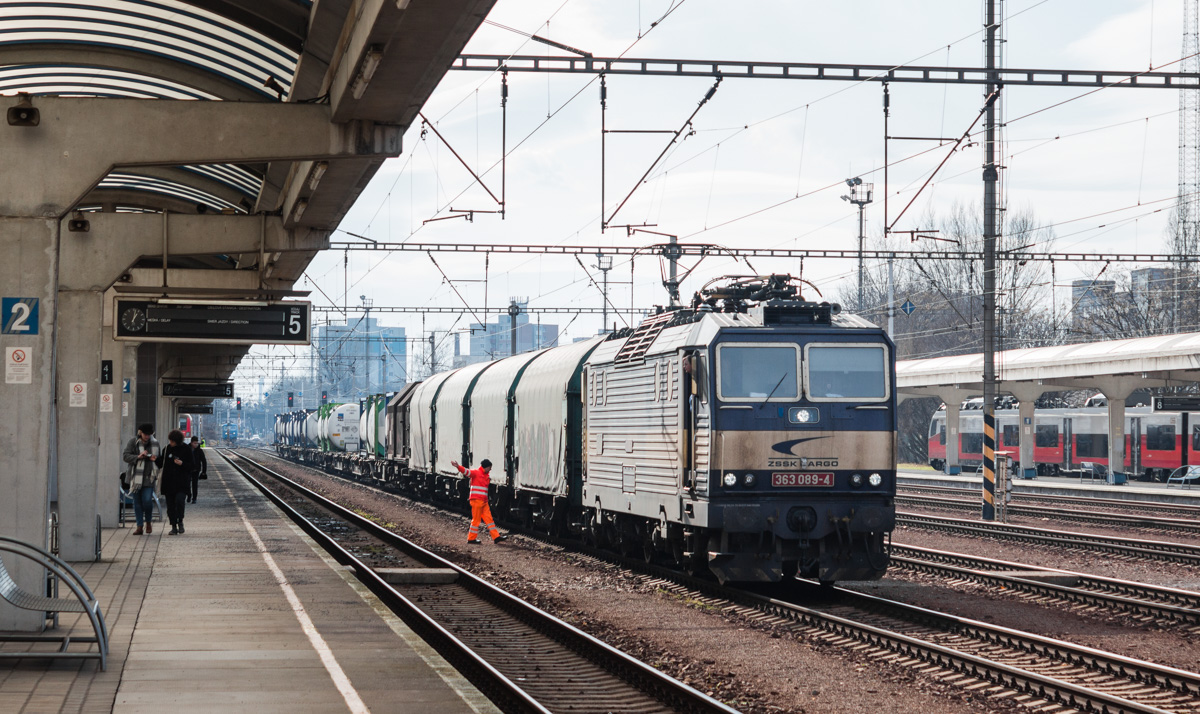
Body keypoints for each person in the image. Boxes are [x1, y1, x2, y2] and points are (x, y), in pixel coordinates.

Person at [450, 459, 508, 545]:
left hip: (483, 501)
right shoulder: (476, 473)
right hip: (477, 501)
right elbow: (466, 472)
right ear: (486, 467)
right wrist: (458, 466)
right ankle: (471, 538)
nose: (490, 469)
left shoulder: (485, 475)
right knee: (476, 520)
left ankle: (496, 537)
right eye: (490, 467)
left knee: (489, 519)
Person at [122, 424, 161, 535]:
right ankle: (139, 526)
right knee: (137, 502)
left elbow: (159, 460)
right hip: (135, 478)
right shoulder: (133, 442)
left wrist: (155, 459)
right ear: (140, 433)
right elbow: (125, 456)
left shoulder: (155, 443)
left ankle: (148, 521)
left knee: (147, 500)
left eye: (149, 434)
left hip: (149, 476)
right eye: (145, 434)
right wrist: (138, 457)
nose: (147, 436)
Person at [161, 430, 194, 535]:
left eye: (173, 441)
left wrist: (182, 463)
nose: (171, 442)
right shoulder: (167, 449)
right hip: (168, 482)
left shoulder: (186, 449)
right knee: (170, 505)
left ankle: (180, 520)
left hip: (182, 482)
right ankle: (173, 526)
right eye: (170, 440)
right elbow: (161, 462)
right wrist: (154, 459)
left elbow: (192, 466)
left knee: (180, 501)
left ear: (178, 441)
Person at [188, 436, 207, 503]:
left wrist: (204, 471)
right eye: (194, 443)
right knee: (187, 484)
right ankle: (189, 495)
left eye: (197, 443)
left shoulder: (199, 451)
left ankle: (194, 498)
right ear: (191, 443)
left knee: (194, 484)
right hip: (188, 469)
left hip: (196, 469)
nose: (196, 444)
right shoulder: (187, 449)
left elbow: (204, 461)